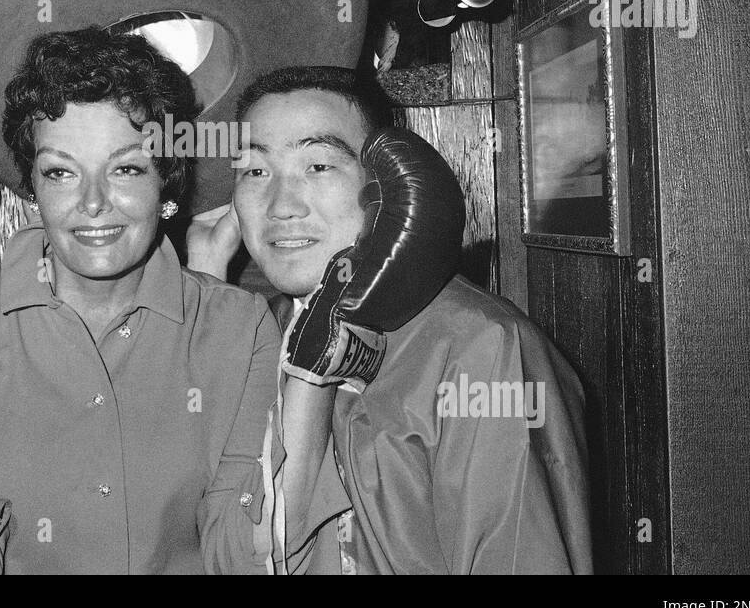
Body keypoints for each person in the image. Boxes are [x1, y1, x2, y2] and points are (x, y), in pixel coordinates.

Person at [0, 28, 281, 574]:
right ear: (32, 190)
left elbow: (244, 553)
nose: (92, 202)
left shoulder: (241, 328)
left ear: (166, 182)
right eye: (61, 172)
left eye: (126, 169)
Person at [188, 65, 593, 574]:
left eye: (318, 166)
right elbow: (224, 548)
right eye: (255, 171)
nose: (281, 206)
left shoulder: (479, 345)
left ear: (383, 183)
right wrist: (204, 279)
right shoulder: (262, 334)